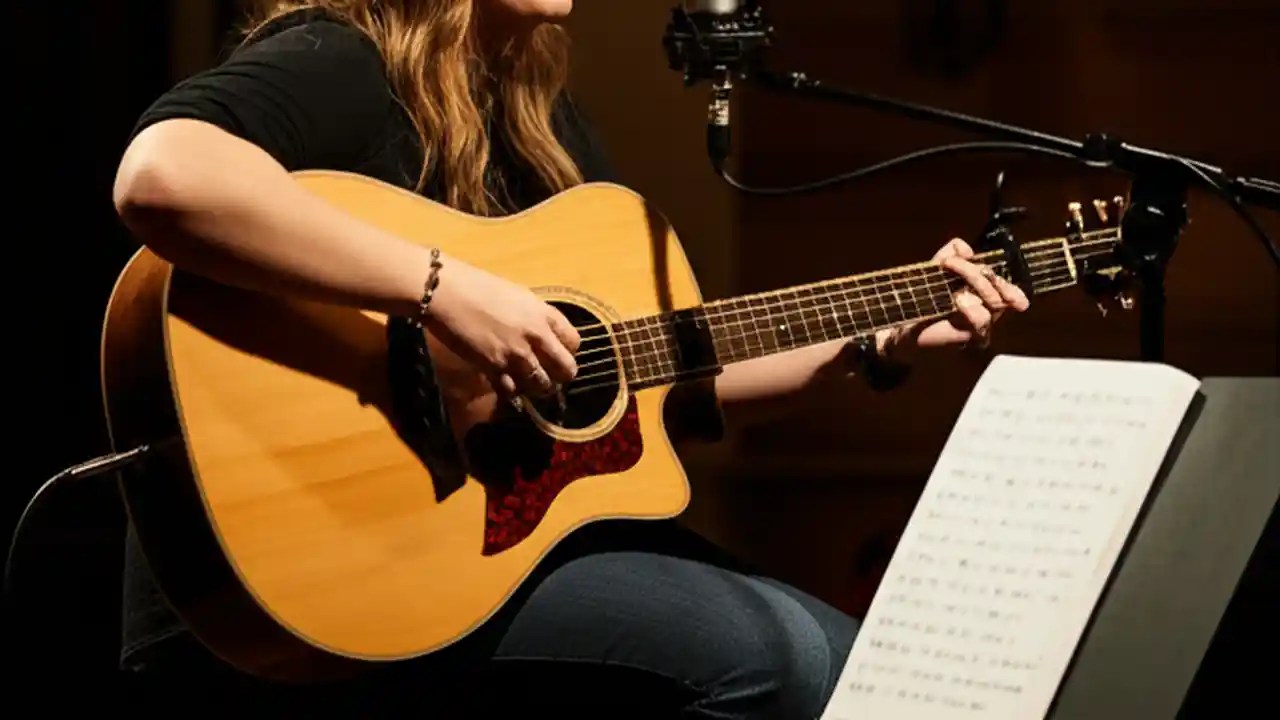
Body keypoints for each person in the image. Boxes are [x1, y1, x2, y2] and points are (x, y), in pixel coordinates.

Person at [111, 0, 1029, 716]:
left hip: (487, 557)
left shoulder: (545, 127)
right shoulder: (342, 60)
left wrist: (875, 339)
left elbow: (677, 380)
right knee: (777, 659)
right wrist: (446, 290)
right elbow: (164, 176)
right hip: (316, 572)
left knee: (861, 672)